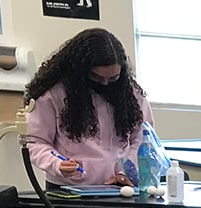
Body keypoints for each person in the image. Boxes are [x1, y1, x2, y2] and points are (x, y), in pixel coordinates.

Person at [24, 28, 154, 187]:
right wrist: (57, 164)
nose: (105, 84)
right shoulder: (52, 94)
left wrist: (127, 172)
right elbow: (36, 141)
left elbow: (143, 138)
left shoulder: (130, 92)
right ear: (80, 70)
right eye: (97, 78)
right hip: (68, 187)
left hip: (119, 185)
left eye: (113, 78)